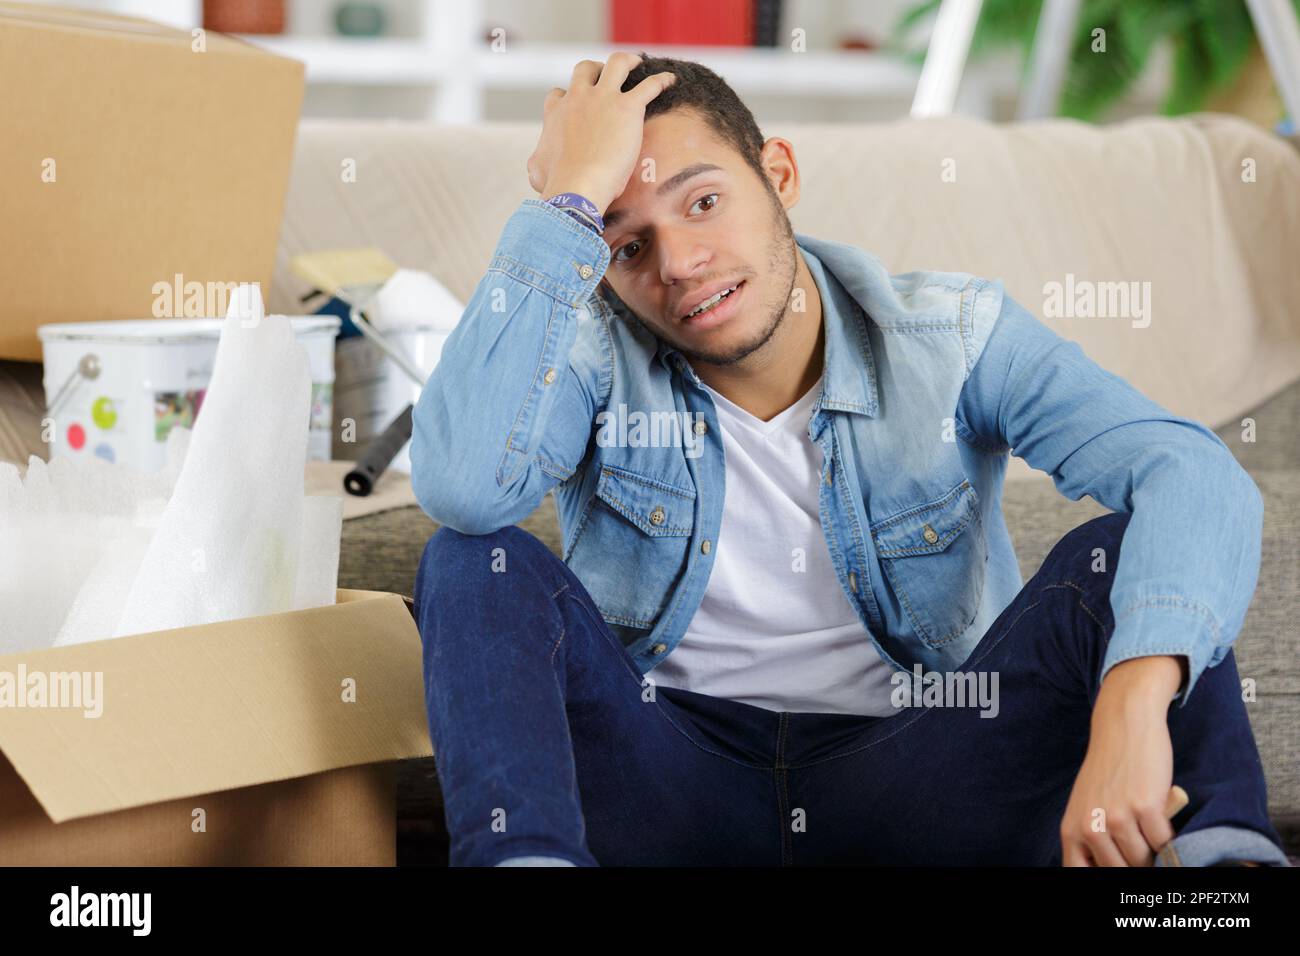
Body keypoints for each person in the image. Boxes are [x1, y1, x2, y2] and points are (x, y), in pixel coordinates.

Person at [409, 51, 1289, 867]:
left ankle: (1220, 877)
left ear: (779, 175)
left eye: (703, 201)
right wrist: (565, 203)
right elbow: (461, 485)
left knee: (1120, 557)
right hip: (670, 780)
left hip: (920, 774)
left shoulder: (950, 338)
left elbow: (1190, 471)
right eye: (626, 243)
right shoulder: (592, 355)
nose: (678, 264)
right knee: (472, 556)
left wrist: (1133, 706)